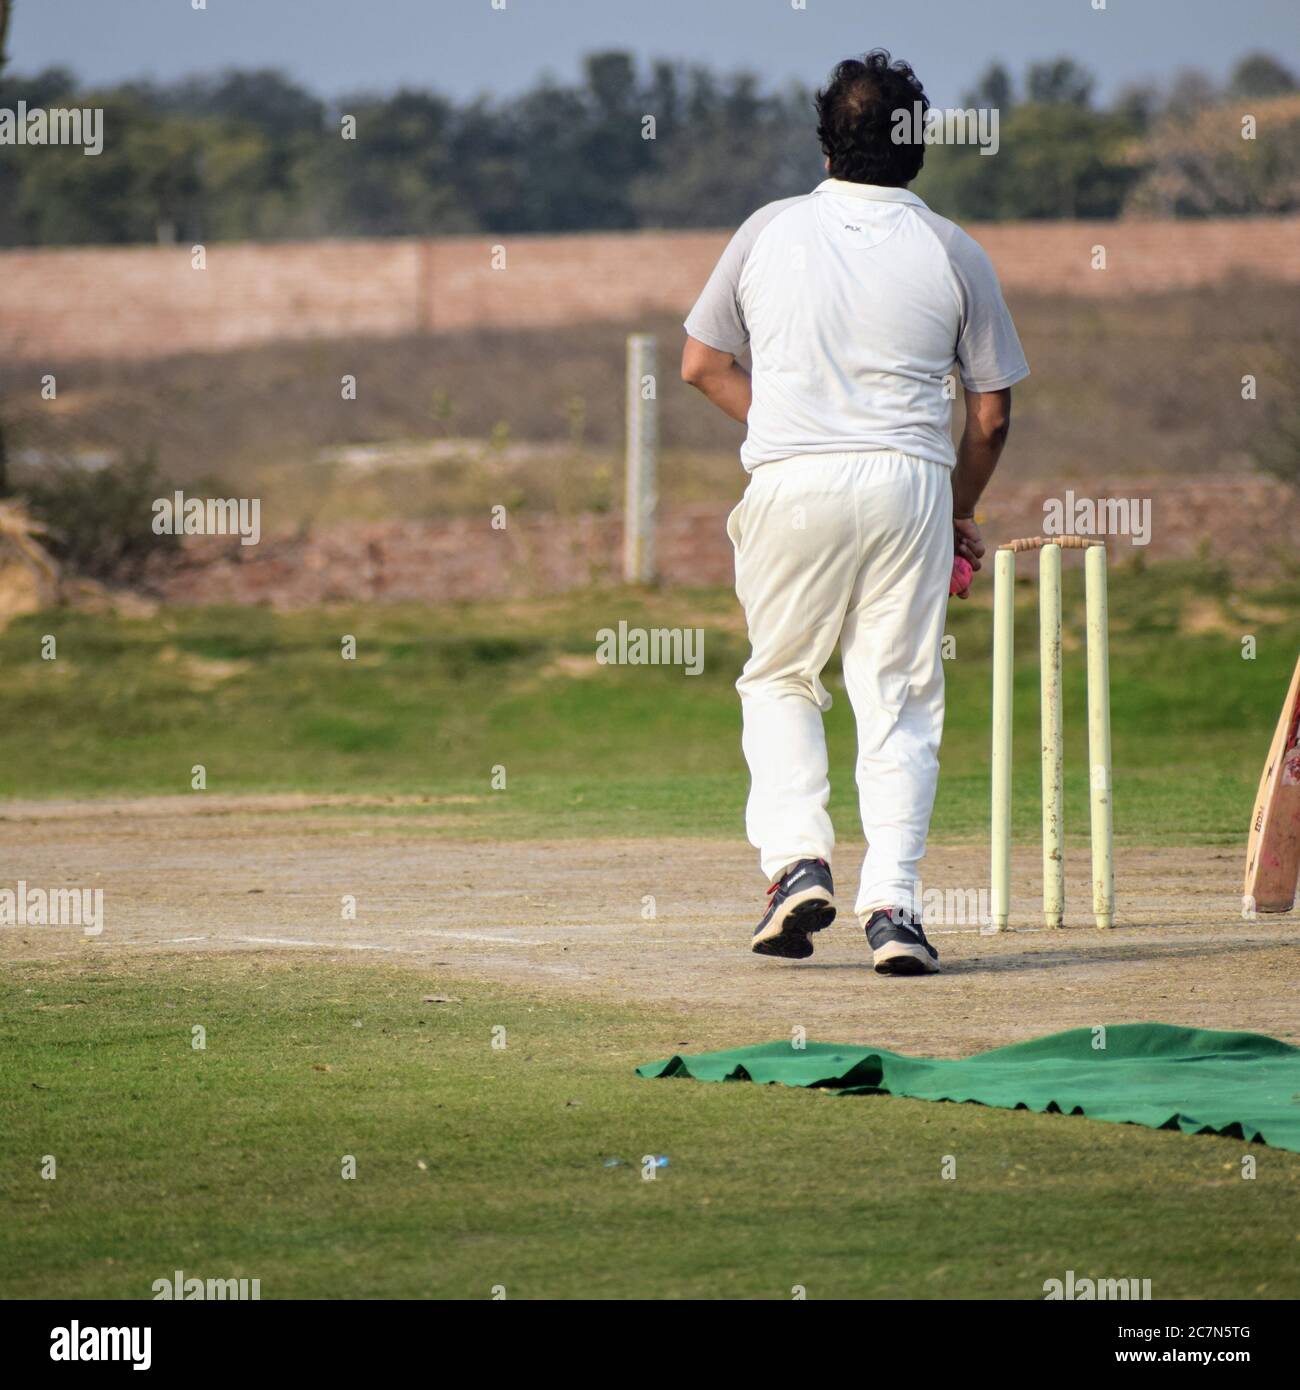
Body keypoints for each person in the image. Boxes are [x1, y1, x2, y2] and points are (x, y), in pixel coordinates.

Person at [681, 51, 1028, 975]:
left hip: (792, 483)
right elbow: (990, 414)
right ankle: (895, 910)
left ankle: (797, 862)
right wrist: (956, 511)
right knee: (899, 698)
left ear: (826, 141)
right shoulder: (953, 249)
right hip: (910, 484)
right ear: (917, 149)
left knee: (781, 676)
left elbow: (701, 365)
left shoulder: (767, 231)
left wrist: (796, 426)